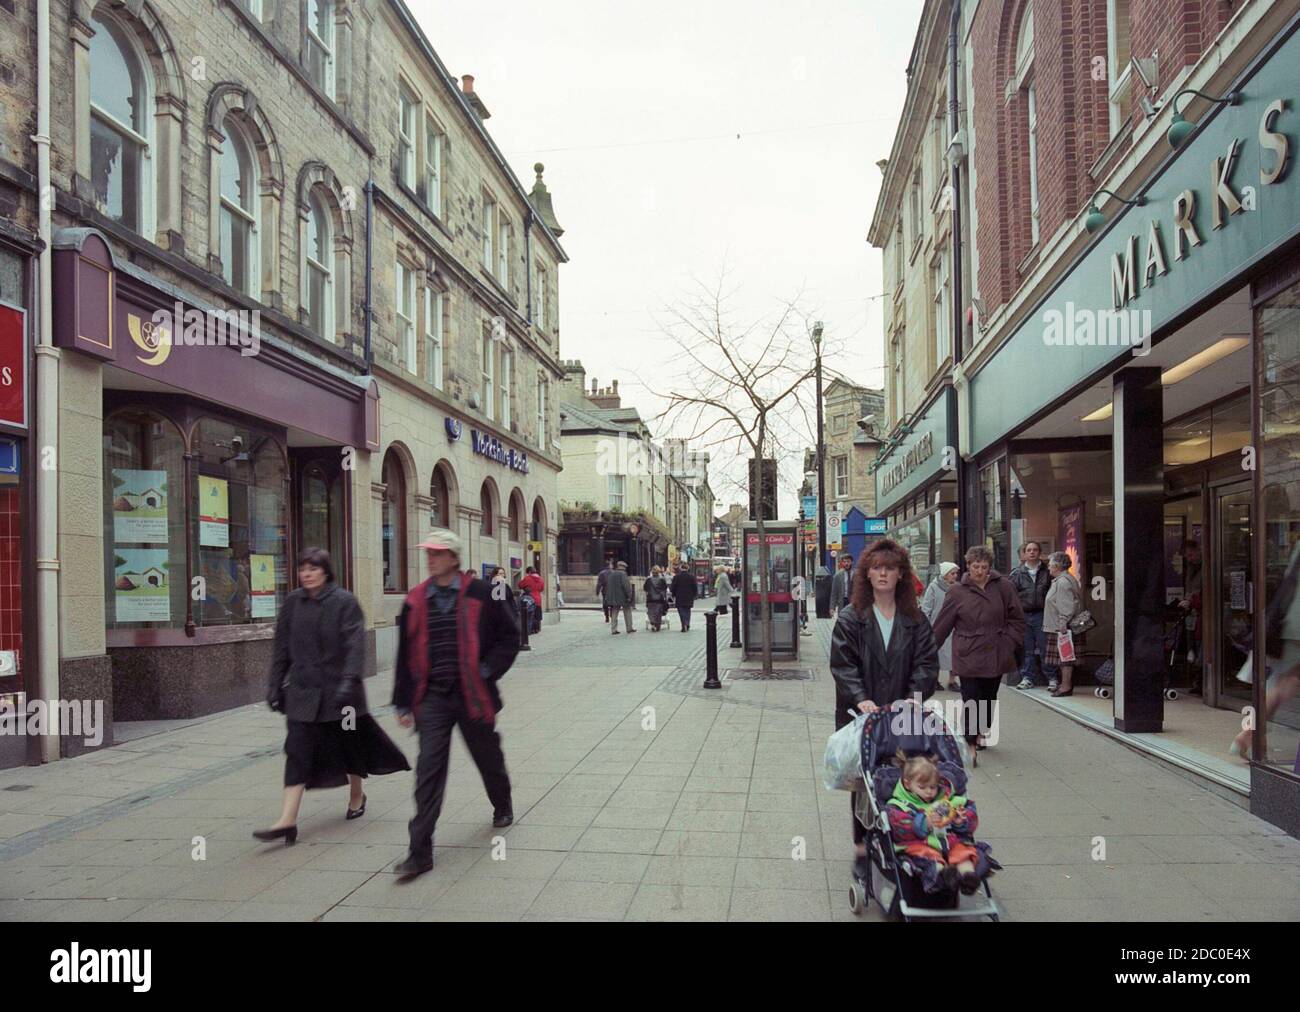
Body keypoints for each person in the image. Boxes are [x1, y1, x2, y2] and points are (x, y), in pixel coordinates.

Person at [255, 548, 410, 846]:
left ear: (326, 571)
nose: (307, 574)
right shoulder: (292, 603)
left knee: (350, 744)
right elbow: (281, 648)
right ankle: (287, 821)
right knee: (297, 751)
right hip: (302, 691)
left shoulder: (344, 602)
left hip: (342, 693)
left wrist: (348, 681)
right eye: (303, 569)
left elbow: (355, 646)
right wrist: (275, 685)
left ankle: (356, 793)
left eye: (313, 568)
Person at [390, 529, 520, 879]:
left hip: (472, 693)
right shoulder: (416, 599)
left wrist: (488, 669)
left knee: (486, 754)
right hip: (432, 697)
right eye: (428, 552)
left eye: (437, 553)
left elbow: (510, 637)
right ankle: (420, 853)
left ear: (454, 558)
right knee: (429, 770)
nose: (430, 558)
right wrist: (402, 701)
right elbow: (404, 654)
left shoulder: (482, 594)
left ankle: (502, 801)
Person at [828, 538, 939, 878]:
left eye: (890, 568)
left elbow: (926, 663)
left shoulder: (915, 619)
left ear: (901, 575)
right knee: (863, 783)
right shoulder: (852, 617)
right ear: (867, 574)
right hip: (861, 715)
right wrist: (861, 697)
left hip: (903, 717)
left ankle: (901, 839)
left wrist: (915, 696)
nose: (883, 574)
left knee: (900, 778)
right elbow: (843, 663)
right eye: (877, 568)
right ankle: (862, 849)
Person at [932, 544, 1026, 751]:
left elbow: (1017, 618)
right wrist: (927, 652)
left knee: (989, 696)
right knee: (970, 696)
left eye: (984, 567)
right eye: (976, 566)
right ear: (968, 566)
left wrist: (1010, 641)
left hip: (996, 650)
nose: (980, 571)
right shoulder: (956, 591)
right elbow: (942, 625)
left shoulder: (1003, 586)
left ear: (990, 567)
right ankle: (970, 736)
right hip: (967, 652)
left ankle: (982, 729)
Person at [886, 754, 993, 895]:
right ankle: (943, 874)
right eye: (922, 787)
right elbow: (900, 827)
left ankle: (968, 876)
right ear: (907, 784)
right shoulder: (899, 805)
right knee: (928, 856)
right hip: (919, 844)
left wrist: (960, 821)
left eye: (933, 787)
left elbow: (968, 810)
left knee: (963, 851)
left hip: (948, 840)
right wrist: (925, 823)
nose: (929, 791)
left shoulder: (946, 799)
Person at [1232, 538, 1300, 757]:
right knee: (1285, 682)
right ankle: (1248, 735)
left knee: (1282, 682)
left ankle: (1252, 735)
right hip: (1296, 626)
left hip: (1291, 622)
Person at [1010, 541, 1052, 690]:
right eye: (1029, 550)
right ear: (1024, 554)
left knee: (1045, 647)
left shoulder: (1047, 572)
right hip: (1024, 616)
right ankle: (1027, 677)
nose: (1032, 552)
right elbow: (1011, 596)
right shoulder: (1017, 573)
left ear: (1039, 553)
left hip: (1043, 614)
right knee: (1027, 649)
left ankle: (1052, 677)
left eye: (1035, 550)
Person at [1042, 551, 1084, 697]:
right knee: (1064, 658)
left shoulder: (1063, 582)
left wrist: (1062, 622)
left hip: (1062, 627)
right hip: (1060, 625)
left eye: (1050, 564)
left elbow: (1066, 605)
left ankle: (1066, 686)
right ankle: (1065, 684)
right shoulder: (1063, 580)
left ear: (1057, 566)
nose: (1048, 568)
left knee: (1065, 658)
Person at [921, 562, 961, 691]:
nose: (955, 576)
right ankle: (935, 680)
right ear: (944, 574)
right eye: (952, 573)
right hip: (936, 625)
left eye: (956, 573)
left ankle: (952, 680)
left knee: (954, 654)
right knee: (936, 654)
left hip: (954, 625)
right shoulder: (933, 587)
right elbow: (926, 607)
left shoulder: (958, 588)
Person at [606, 561, 636, 635]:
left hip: (614, 597)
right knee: (627, 611)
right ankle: (629, 628)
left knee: (614, 612)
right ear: (624, 567)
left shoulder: (611, 574)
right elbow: (626, 586)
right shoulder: (623, 574)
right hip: (623, 597)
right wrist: (629, 596)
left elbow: (608, 586)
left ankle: (613, 629)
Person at [670, 563, 697, 631]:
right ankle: (687, 623)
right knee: (688, 611)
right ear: (687, 568)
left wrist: (673, 594)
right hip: (689, 597)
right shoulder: (691, 576)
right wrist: (694, 595)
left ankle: (684, 623)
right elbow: (695, 587)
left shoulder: (676, 576)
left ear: (681, 568)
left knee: (681, 611)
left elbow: (673, 587)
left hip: (679, 596)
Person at [644, 566, 670, 631]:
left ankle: (653, 623)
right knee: (658, 613)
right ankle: (657, 626)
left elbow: (645, 588)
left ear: (652, 572)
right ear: (659, 572)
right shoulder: (662, 580)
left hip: (650, 598)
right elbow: (665, 588)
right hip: (659, 599)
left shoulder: (648, 580)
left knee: (651, 612)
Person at [520, 566, 544, 635]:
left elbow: (520, 585)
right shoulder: (541, 579)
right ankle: (537, 629)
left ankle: (530, 630)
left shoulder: (527, 578)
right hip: (538, 599)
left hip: (529, 599)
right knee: (537, 615)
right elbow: (542, 589)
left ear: (529, 572)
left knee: (530, 615)